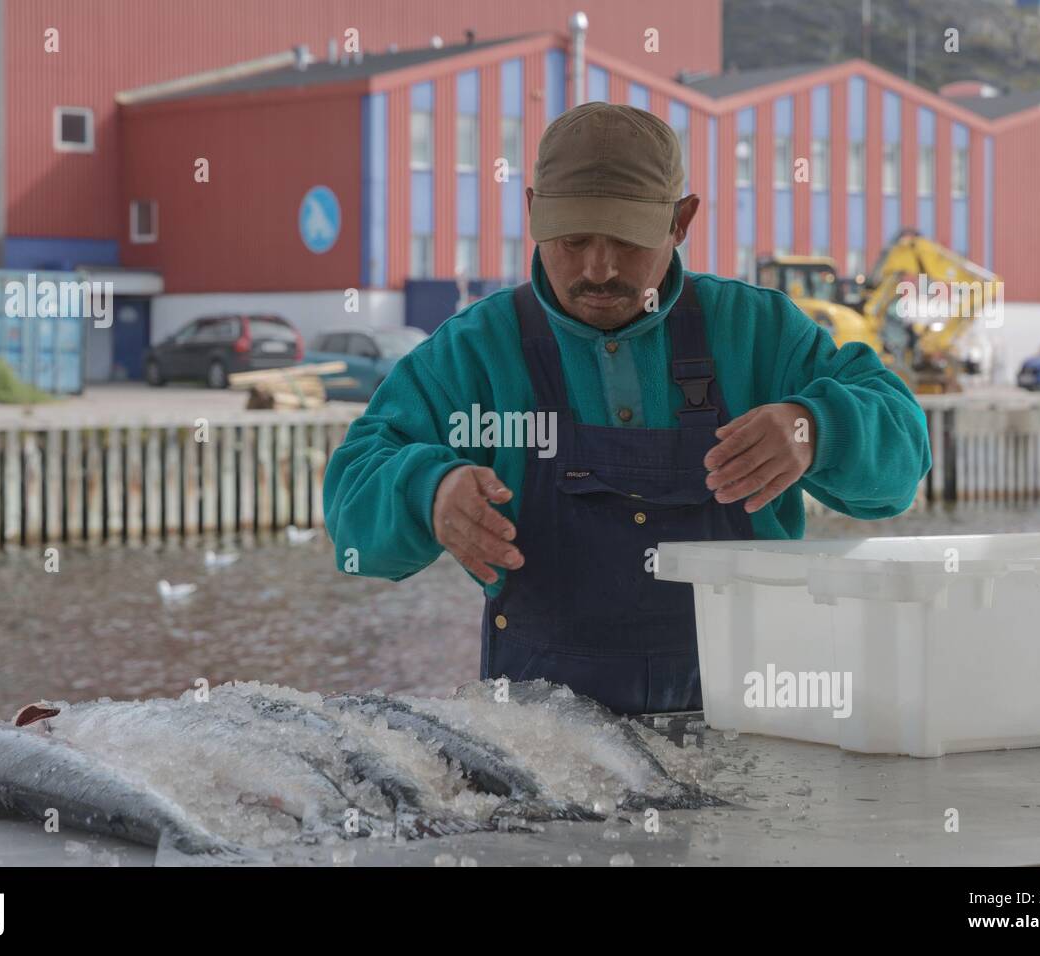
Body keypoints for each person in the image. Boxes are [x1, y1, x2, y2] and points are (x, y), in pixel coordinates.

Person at [324, 102, 931, 714]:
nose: (598, 268)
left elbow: (902, 463)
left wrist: (816, 428)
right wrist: (427, 492)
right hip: (548, 757)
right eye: (573, 239)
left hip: (758, 739)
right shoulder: (475, 352)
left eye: (624, 239)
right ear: (532, 211)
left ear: (681, 221)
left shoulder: (760, 332)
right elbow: (354, 512)